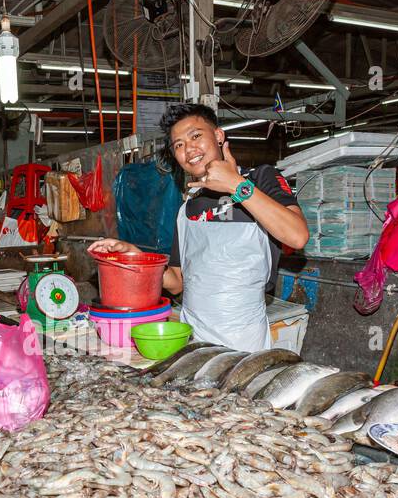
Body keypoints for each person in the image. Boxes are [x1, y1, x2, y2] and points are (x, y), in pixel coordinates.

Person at [88, 103, 308, 352]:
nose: (188, 149)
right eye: (178, 145)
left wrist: (236, 185)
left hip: (245, 344)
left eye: (195, 136)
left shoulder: (258, 180)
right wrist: (135, 256)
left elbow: (297, 236)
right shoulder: (187, 208)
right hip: (193, 341)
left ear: (218, 136)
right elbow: (177, 282)